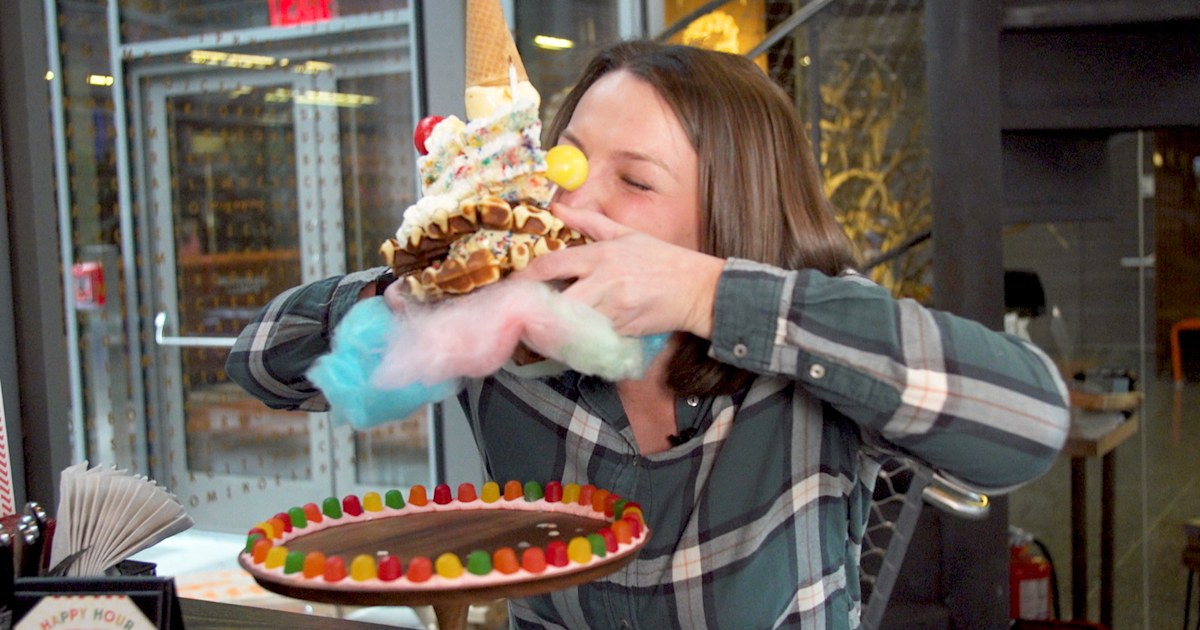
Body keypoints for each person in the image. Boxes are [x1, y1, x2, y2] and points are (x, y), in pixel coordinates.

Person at [226, 40, 1069, 629]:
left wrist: (708, 294)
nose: (573, 201)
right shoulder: (512, 336)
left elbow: (1031, 424)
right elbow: (261, 364)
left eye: (635, 180)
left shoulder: (808, 331)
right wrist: (418, 294)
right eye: (566, 159)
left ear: (730, 216)